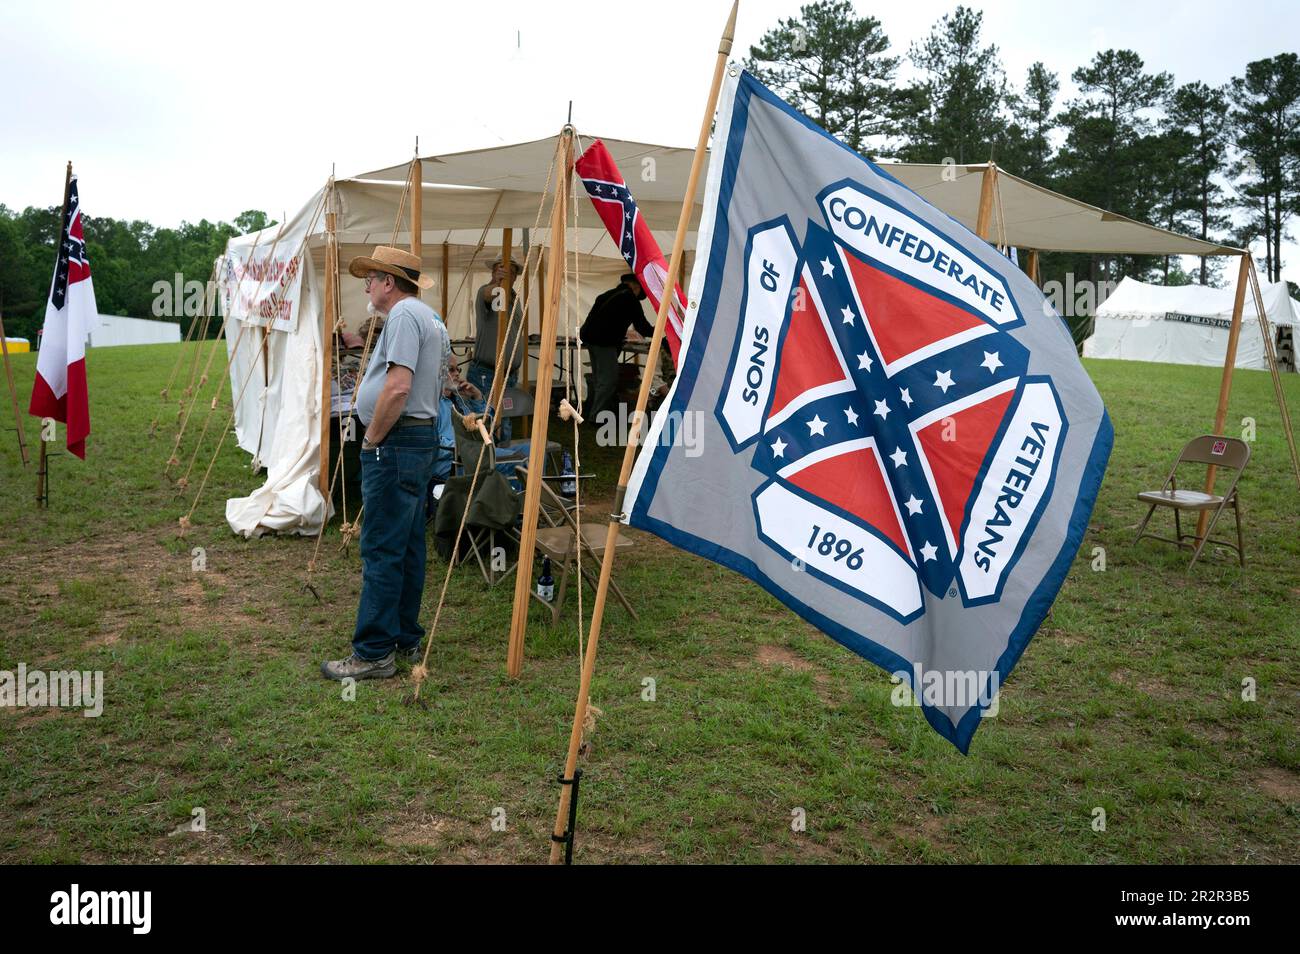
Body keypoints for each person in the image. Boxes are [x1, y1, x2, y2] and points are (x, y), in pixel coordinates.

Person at [321, 246, 449, 681]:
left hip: (397, 441)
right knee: (409, 542)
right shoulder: (427, 316)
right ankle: (405, 636)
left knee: (381, 547)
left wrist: (373, 438)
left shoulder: (402, 317)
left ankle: (374, 651)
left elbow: (397, 388)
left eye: (371, 278)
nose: (367, 286)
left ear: (389, 282)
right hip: (418, 439)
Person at [580, 273, 654, 422]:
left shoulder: (606, 295)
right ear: (635, 286)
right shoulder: (629, 299)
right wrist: (659, 332)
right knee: (608, 380)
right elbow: (642, 327)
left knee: (599, 379)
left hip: (590, 340)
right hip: (604, 343)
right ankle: (597, 417)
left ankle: (590, 411)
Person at [467, 257, 525, 441]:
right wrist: (497, 282)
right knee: (488, 421)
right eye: (502, 269)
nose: (509, 274)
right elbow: (488, 295)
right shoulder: (489, 292)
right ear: (493, 272)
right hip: (488, 373)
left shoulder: (514, 298)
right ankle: (491, 462)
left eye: (513, 272)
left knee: (504, 420)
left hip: (509, 374)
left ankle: (502, 460)